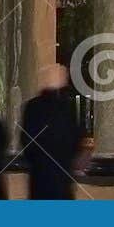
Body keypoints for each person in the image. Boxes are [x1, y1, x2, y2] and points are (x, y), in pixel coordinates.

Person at [19, 64, 81, 199]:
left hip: (39, 176)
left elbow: (26, 142)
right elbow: (75, 141)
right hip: (62, 178)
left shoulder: (32, 107)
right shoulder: (66, 109)